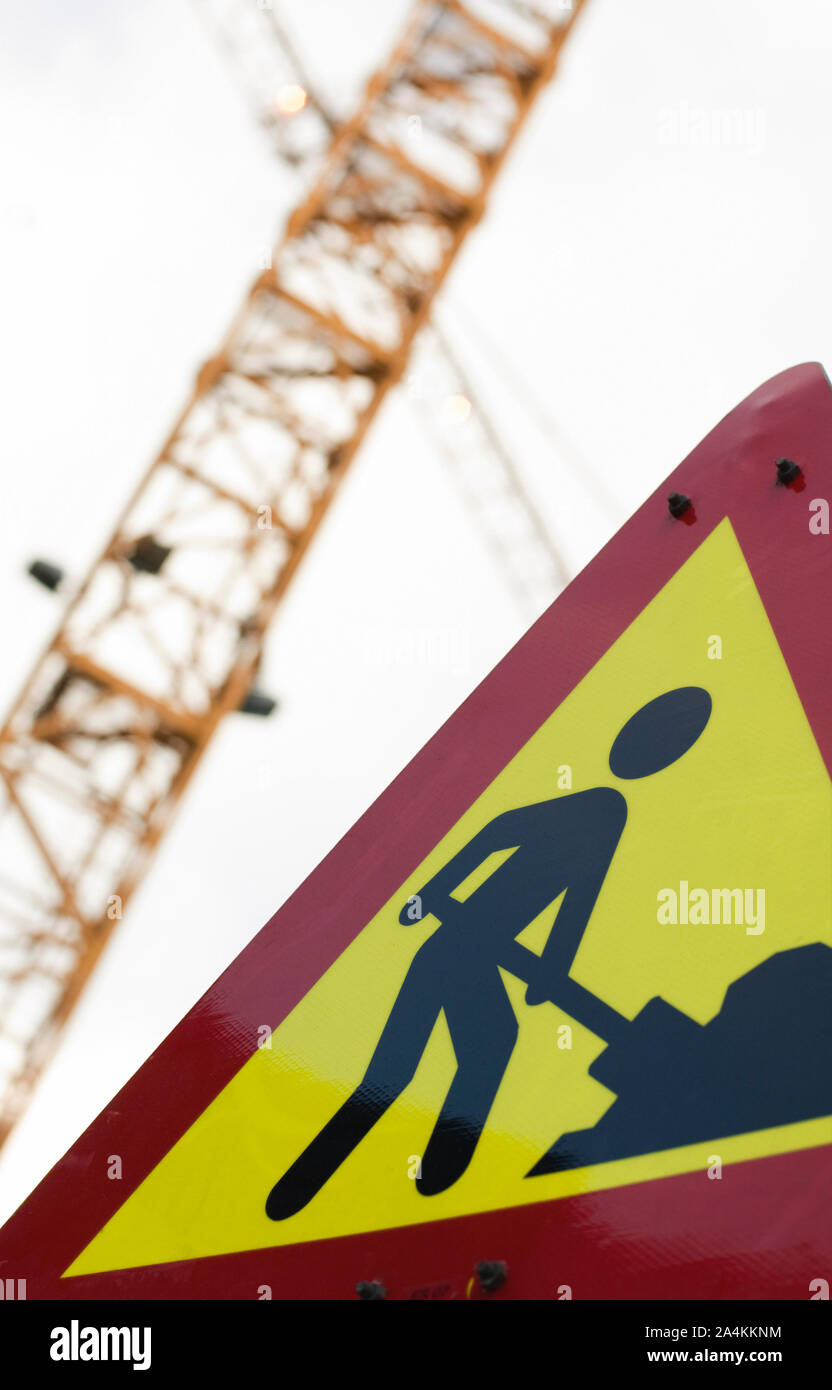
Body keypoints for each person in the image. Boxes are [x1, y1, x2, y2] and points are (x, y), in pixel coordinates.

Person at [266, 685, 712, 1219]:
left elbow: (579, 900)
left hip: (471, 950)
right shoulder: (599, 806)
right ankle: (374, 1180)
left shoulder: (608, 812)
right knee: (419, 1063)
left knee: (431, 1060)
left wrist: (553, 968)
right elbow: (502, 831)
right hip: (457, 943)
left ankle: (409, 1175)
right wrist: (433, 891)